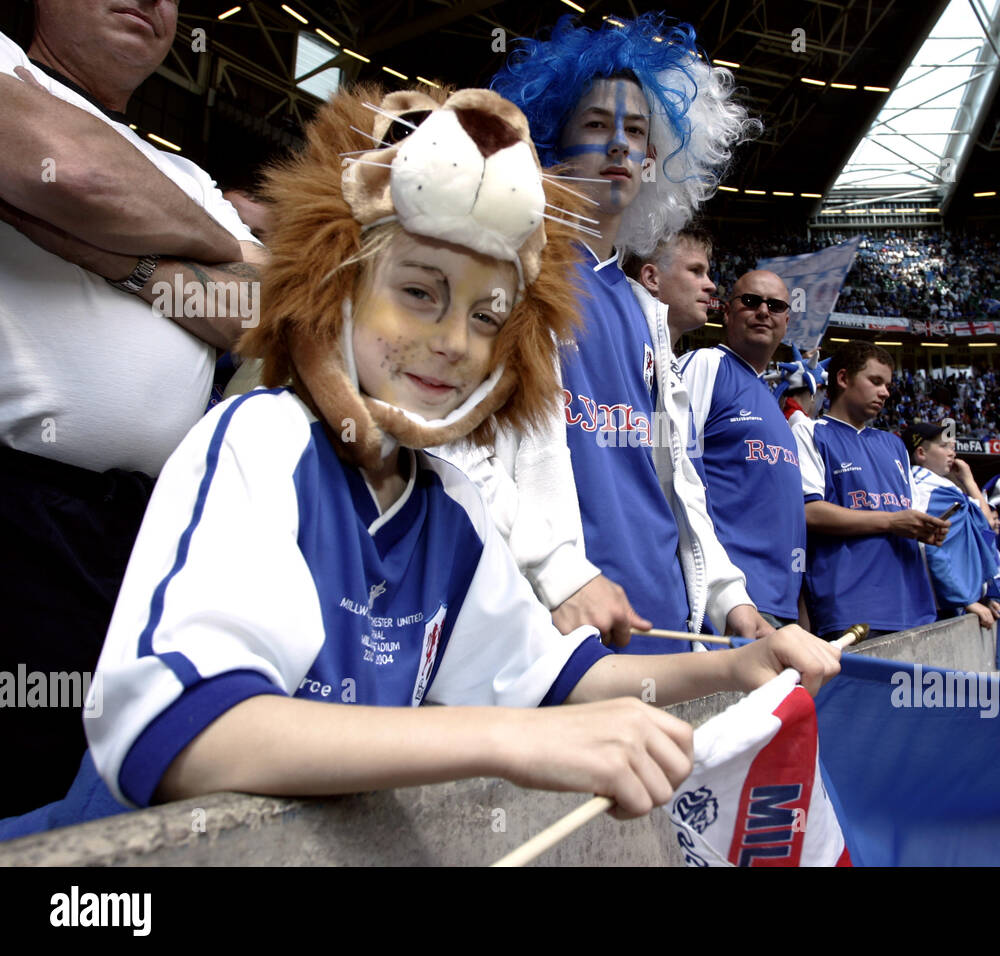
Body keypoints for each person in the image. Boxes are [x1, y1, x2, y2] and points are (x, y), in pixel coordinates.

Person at [0, 85, 839, 840]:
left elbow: (559, 679)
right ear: (339, 283)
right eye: (418, 292)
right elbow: (180, 728)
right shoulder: (259, 439)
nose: (451, 343)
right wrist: (513, 741)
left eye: (486, 316)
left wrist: (738, 665)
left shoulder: (451, 506)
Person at [0, 0, 264, 816]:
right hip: (17, 512)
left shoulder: (186, 179)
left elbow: (266, 308)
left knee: (93, 775)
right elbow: (70, 171)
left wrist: (119, 256)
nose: (153, 2)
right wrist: (207, 253)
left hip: (143, 536)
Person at [491, 14, 770, 652]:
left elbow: (676, 475)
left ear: (654, 159)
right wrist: (559, 575)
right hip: (562, 632)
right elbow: (468, 454)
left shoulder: (646, 311)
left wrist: (729, 595)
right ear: (552, 143)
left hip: (671, 627)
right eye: (595, 125)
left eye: (637, 132)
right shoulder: (510, 272)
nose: (620, 145)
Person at [794, 343, 949, 640]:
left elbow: (907, 514)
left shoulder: (894, 445)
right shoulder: (809, 432)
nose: (885, 393)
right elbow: (808, 512)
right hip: (850, 609)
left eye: (888, 385)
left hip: (914, 604)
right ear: (843, 379)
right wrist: (891, 522)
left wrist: (922, 528)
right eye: (875, 381)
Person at [679, 270, 805, 627]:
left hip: (778, 607)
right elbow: (668, 468)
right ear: (727, 312)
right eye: (751, 301)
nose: (763, 311)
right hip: (726, 601)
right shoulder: (705, 365)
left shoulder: (770, 400)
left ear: (786, 320)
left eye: (775, 305)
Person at [904, 422, 1000, 629]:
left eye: (953, 447)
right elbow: (926, 548)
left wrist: (968, 481)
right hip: (939, 607)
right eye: (944, 446)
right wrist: (964, 601)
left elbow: (985, 523)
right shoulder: (922, 489)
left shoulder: (942, 487)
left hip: (955, 600)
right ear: (921, 452)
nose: (953, 453)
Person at [622, 224, 716, 347]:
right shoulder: (614, 345)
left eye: (707, 274)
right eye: (695, 270)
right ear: (652, 278)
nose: (711, 286)